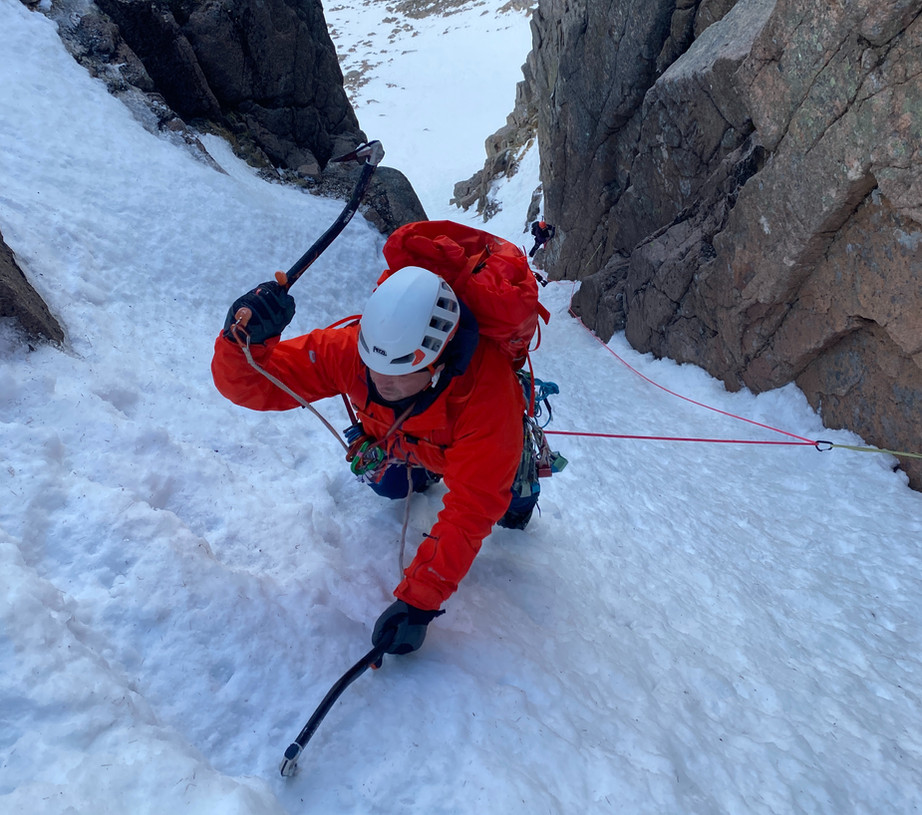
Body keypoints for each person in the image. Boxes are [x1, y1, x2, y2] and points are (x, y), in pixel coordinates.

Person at [211, 266, 537, 657]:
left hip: (470, 444)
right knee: (389, 486)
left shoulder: (487, 400)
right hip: (405, 441)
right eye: (375, 367)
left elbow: (471, 510)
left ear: (439, 364)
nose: (382, 382)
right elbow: (254, 383)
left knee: (508, 498)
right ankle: (427, 471)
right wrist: (241, 341)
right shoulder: (353, 353)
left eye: (400, 373)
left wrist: (419, 601)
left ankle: (524, 468)